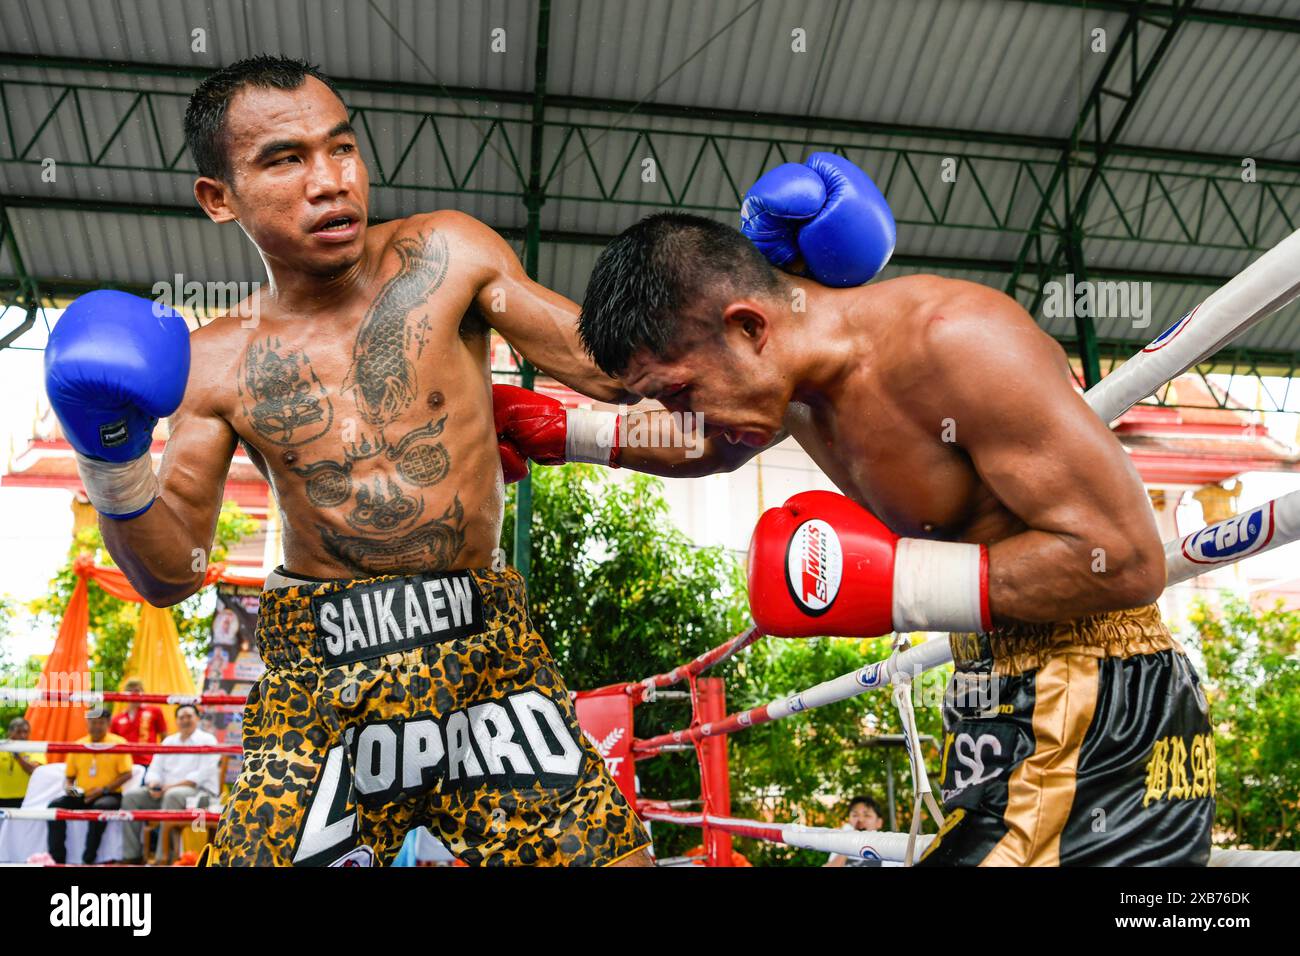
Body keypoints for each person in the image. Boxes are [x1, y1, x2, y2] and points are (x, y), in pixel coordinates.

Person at [501, 154, 1214, 866]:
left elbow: (1123, 558)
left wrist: (891, 584)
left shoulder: (954, 341)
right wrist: (566, 432)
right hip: (996, 694)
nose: (684, 414)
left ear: (749, 326)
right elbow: (704, 445)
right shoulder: (795, 387)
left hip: (1097, 698)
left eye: (682, 392)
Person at [43, 54, 651, 867]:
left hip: (485, 651)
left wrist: (760, 297)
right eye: (284, 160)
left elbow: (610, 366)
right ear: (218, 198)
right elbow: (171, 572)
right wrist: (107, 454)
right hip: (321, 670)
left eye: (341, 148)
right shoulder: (214, 362)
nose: (329, 182)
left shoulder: (450, 256)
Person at [120, 704, 220, 864]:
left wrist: (167, 788)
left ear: (198, 718)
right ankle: (131, 856)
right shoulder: (169, 741)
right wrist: (154, 784)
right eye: (181, 717)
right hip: (164, 792)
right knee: (131, 797)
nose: (185, 720)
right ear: (176, 721)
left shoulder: (208, 740)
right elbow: (154, 770)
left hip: (199, 796)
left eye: (189, 716)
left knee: (172, 796)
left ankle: (162, 859)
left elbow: (198, 777)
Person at [47, 711, 134, 865]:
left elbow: (127, 774)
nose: (96, 726)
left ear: (108, 723)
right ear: (87, 723)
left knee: (98, 809)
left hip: (109, 794)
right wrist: (72, 792)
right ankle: (57, 859)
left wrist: (104, 789)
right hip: (83, 795)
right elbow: (70, 777)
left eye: (100, 722)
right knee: (54, 808)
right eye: (93, 722)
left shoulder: (118, 743)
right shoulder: (79, 744)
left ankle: (88, 860)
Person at [110, 677, 168, 766]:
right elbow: (113, 742)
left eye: (137, 690)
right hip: (124, 765)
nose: (134, 694)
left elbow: (164, 737)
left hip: (149, 763)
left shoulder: (154, 711)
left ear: (142, 692)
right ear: (125, 694)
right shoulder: (117, 718)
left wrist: (161, 761)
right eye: (130, 691)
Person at [823, 795, 884, 868]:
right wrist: (847, 845)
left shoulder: (888, 847)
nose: (860, 820)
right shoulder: (840, 846)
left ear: (879, 822)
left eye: (867, 815)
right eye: (855, 815)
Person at [0, 718, 43, 808]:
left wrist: (16, 754)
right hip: (2, 799)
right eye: (19, 732)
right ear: (10, 733)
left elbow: (33, 770)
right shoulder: (2, 747)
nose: (23, 736)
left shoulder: (35, 748)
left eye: (26, 732)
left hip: (27, 799)